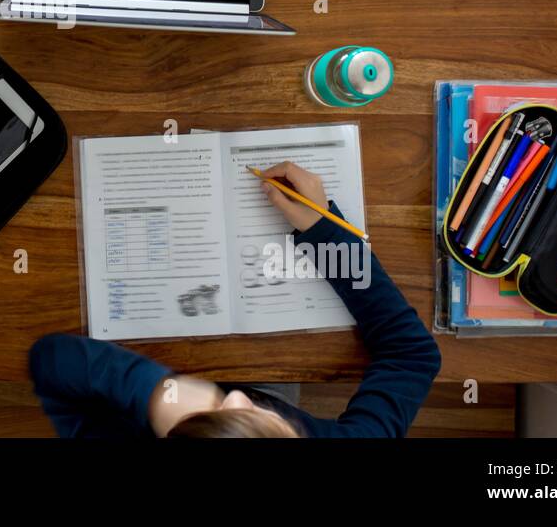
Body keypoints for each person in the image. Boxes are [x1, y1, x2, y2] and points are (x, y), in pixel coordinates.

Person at [29, 161, 441, 437]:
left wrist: (157, 393)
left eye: (230, 408)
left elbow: (52, 358)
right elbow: (412, 355)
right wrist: (324, 230)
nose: (235, 396)